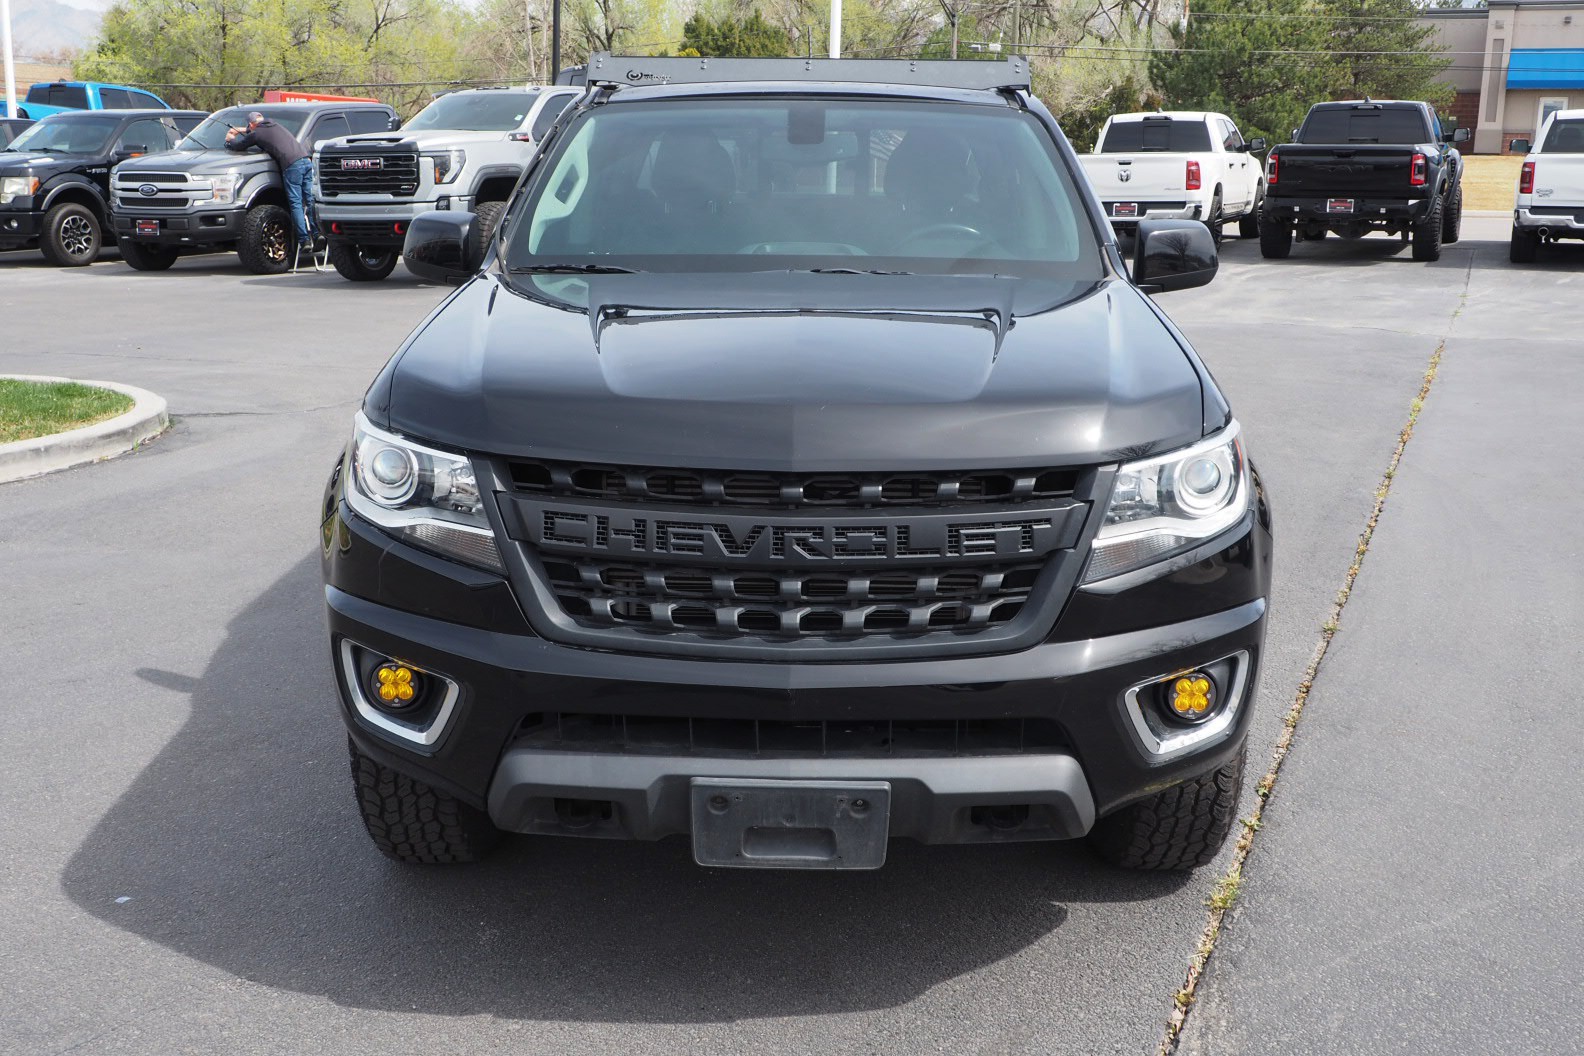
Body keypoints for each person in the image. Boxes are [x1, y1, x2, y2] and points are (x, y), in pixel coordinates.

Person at [225, 112, 320, 254]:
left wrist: (230, 139)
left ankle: (304, 240)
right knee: (310, 200)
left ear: (251, 124)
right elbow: (256, 129)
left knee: (296, 204)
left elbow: (239, 146)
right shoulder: (275, 125)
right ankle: (318, 234)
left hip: (292, 165)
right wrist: (241, 129)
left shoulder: (256, 134)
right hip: (306, 161)